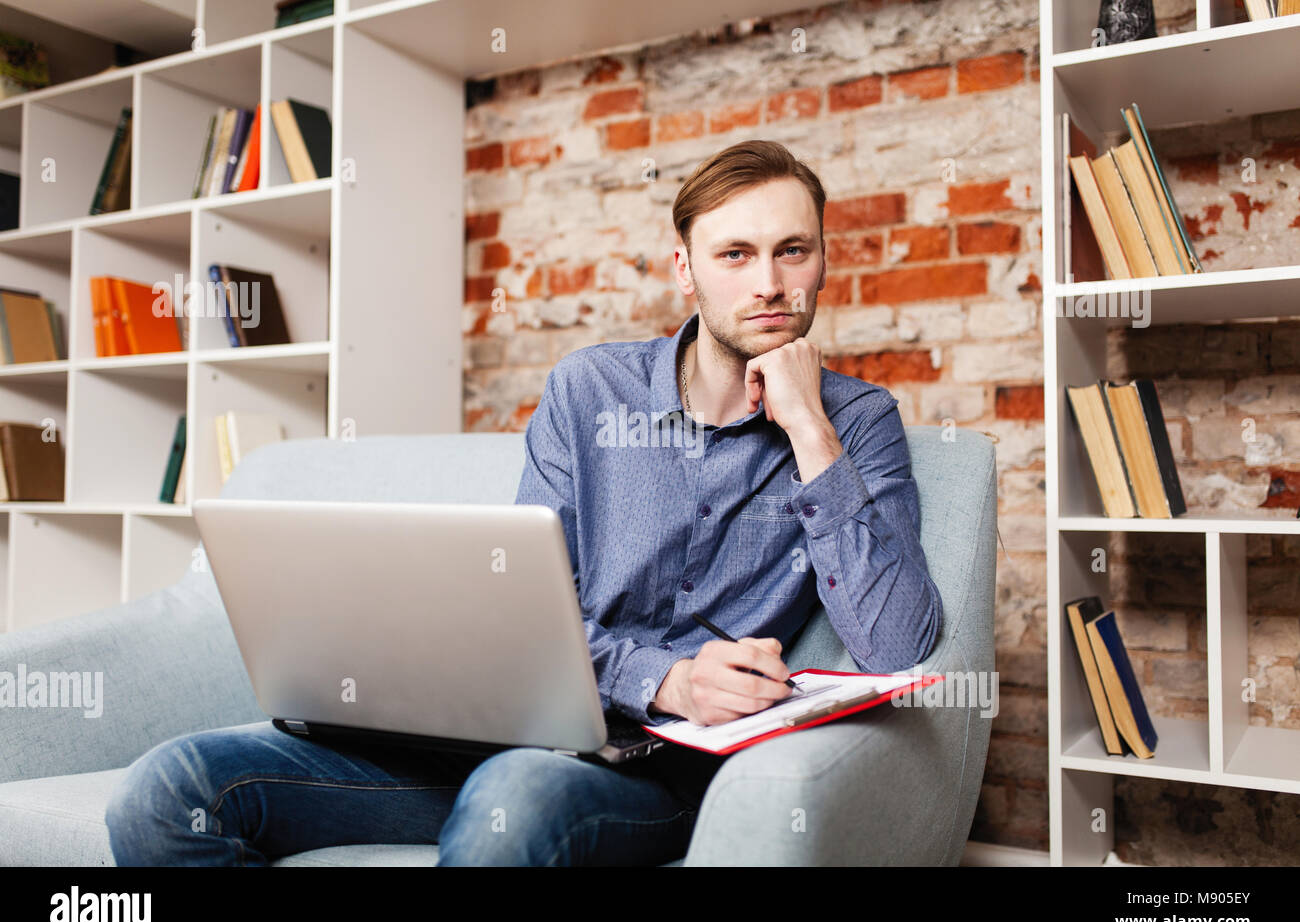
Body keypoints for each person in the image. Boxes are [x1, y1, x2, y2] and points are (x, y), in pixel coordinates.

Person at [104, 139, 941, 866]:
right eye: (736, 255)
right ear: (685, 267)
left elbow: (899, 643)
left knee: (520, 795)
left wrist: (808, 429)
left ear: (826, 259)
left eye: (794, 251)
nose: (769, 283)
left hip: (658, 772)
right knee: (164, 792)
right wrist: (668, 677)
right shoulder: (587, 391)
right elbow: (534, 617)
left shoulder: (856, 423)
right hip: (496, 739)